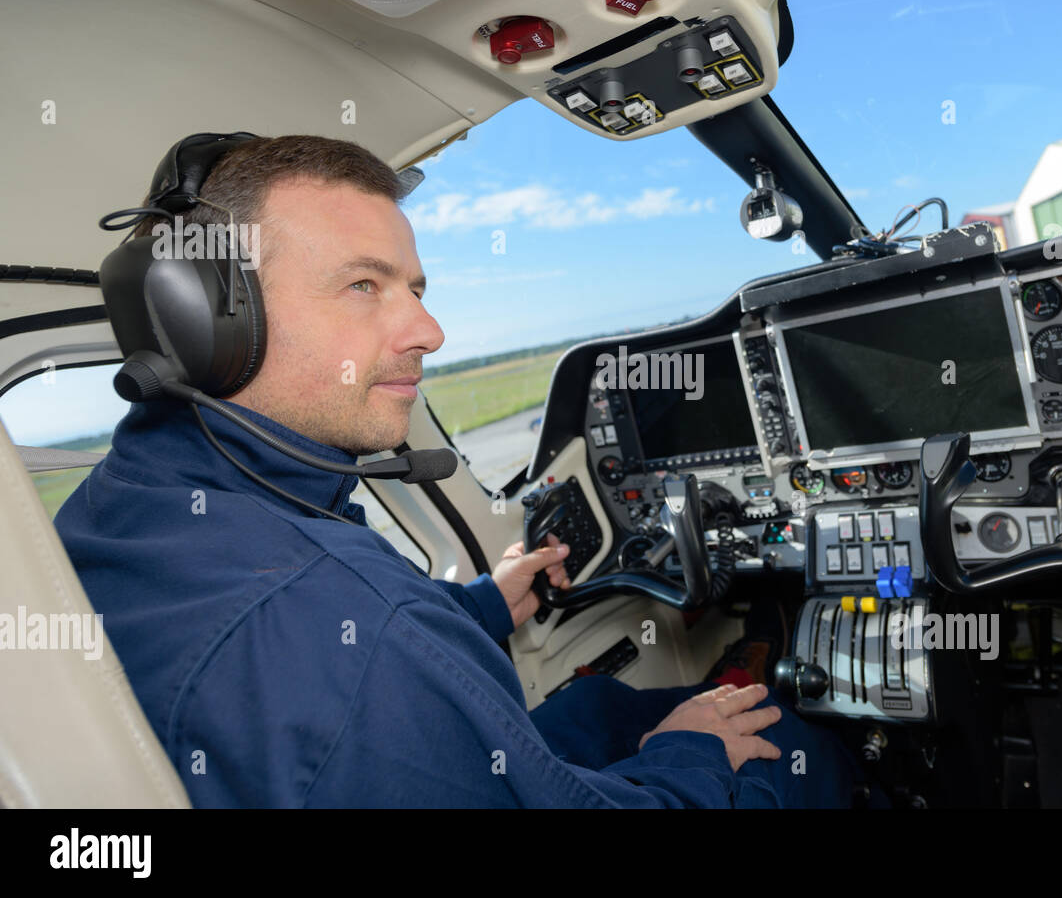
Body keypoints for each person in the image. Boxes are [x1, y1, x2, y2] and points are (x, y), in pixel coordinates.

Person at [54, 134, 859, 806]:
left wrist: (478, 606)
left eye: (415, 288)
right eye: (363, 284)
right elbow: (361, 654)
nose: (430, 331)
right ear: (210, 324)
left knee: (598, 702)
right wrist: (691, 756)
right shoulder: (364, 637)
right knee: (784, 738)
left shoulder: (121, 505)